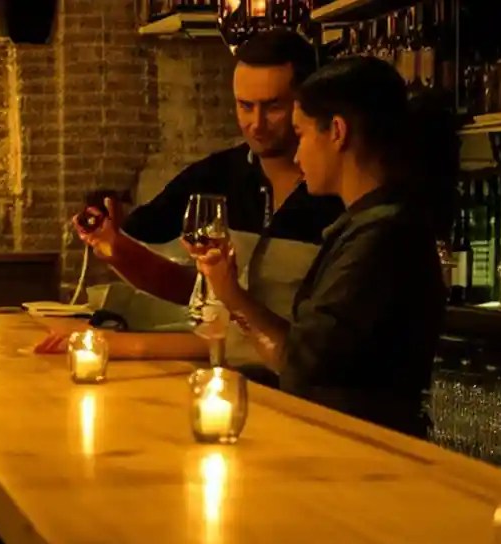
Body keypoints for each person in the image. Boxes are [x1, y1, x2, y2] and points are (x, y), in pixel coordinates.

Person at [42, 29, 345, 380]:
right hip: (223, 376)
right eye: (245, 106)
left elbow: (317, 353)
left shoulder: (338, 194)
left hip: (301, 389)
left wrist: (125, 344)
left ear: (305, 105)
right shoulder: (217, 176)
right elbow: (196, 294)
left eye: (273, 106)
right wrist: (117, 247)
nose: (256, 123)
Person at [189, 56, 455, 437]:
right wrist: (229, 290)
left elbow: (301, 362)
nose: (296, 156)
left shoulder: (381, 236)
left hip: (366, 454)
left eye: (300, 134)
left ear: (337, 131)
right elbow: (303, 355)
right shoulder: (370, 225)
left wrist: (233, 297)